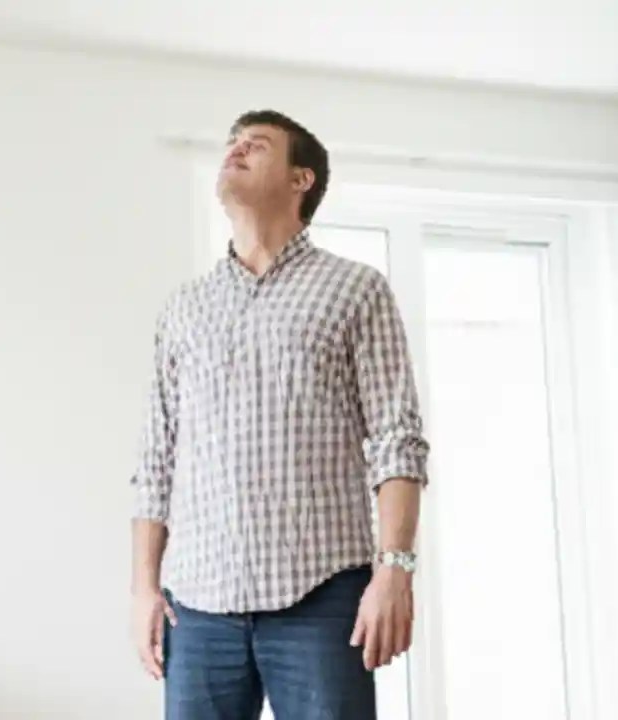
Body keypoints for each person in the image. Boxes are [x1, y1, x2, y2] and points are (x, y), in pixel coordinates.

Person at [129, 109, 430, 720]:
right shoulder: (184, 309)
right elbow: (154, 461)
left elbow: (399, 441)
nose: (234, 151)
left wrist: (394, 570)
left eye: (255, 145)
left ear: (302, 180)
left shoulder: (354, 290)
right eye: (231, 144)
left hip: (321, 599)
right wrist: (143, 589)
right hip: (197, 606)